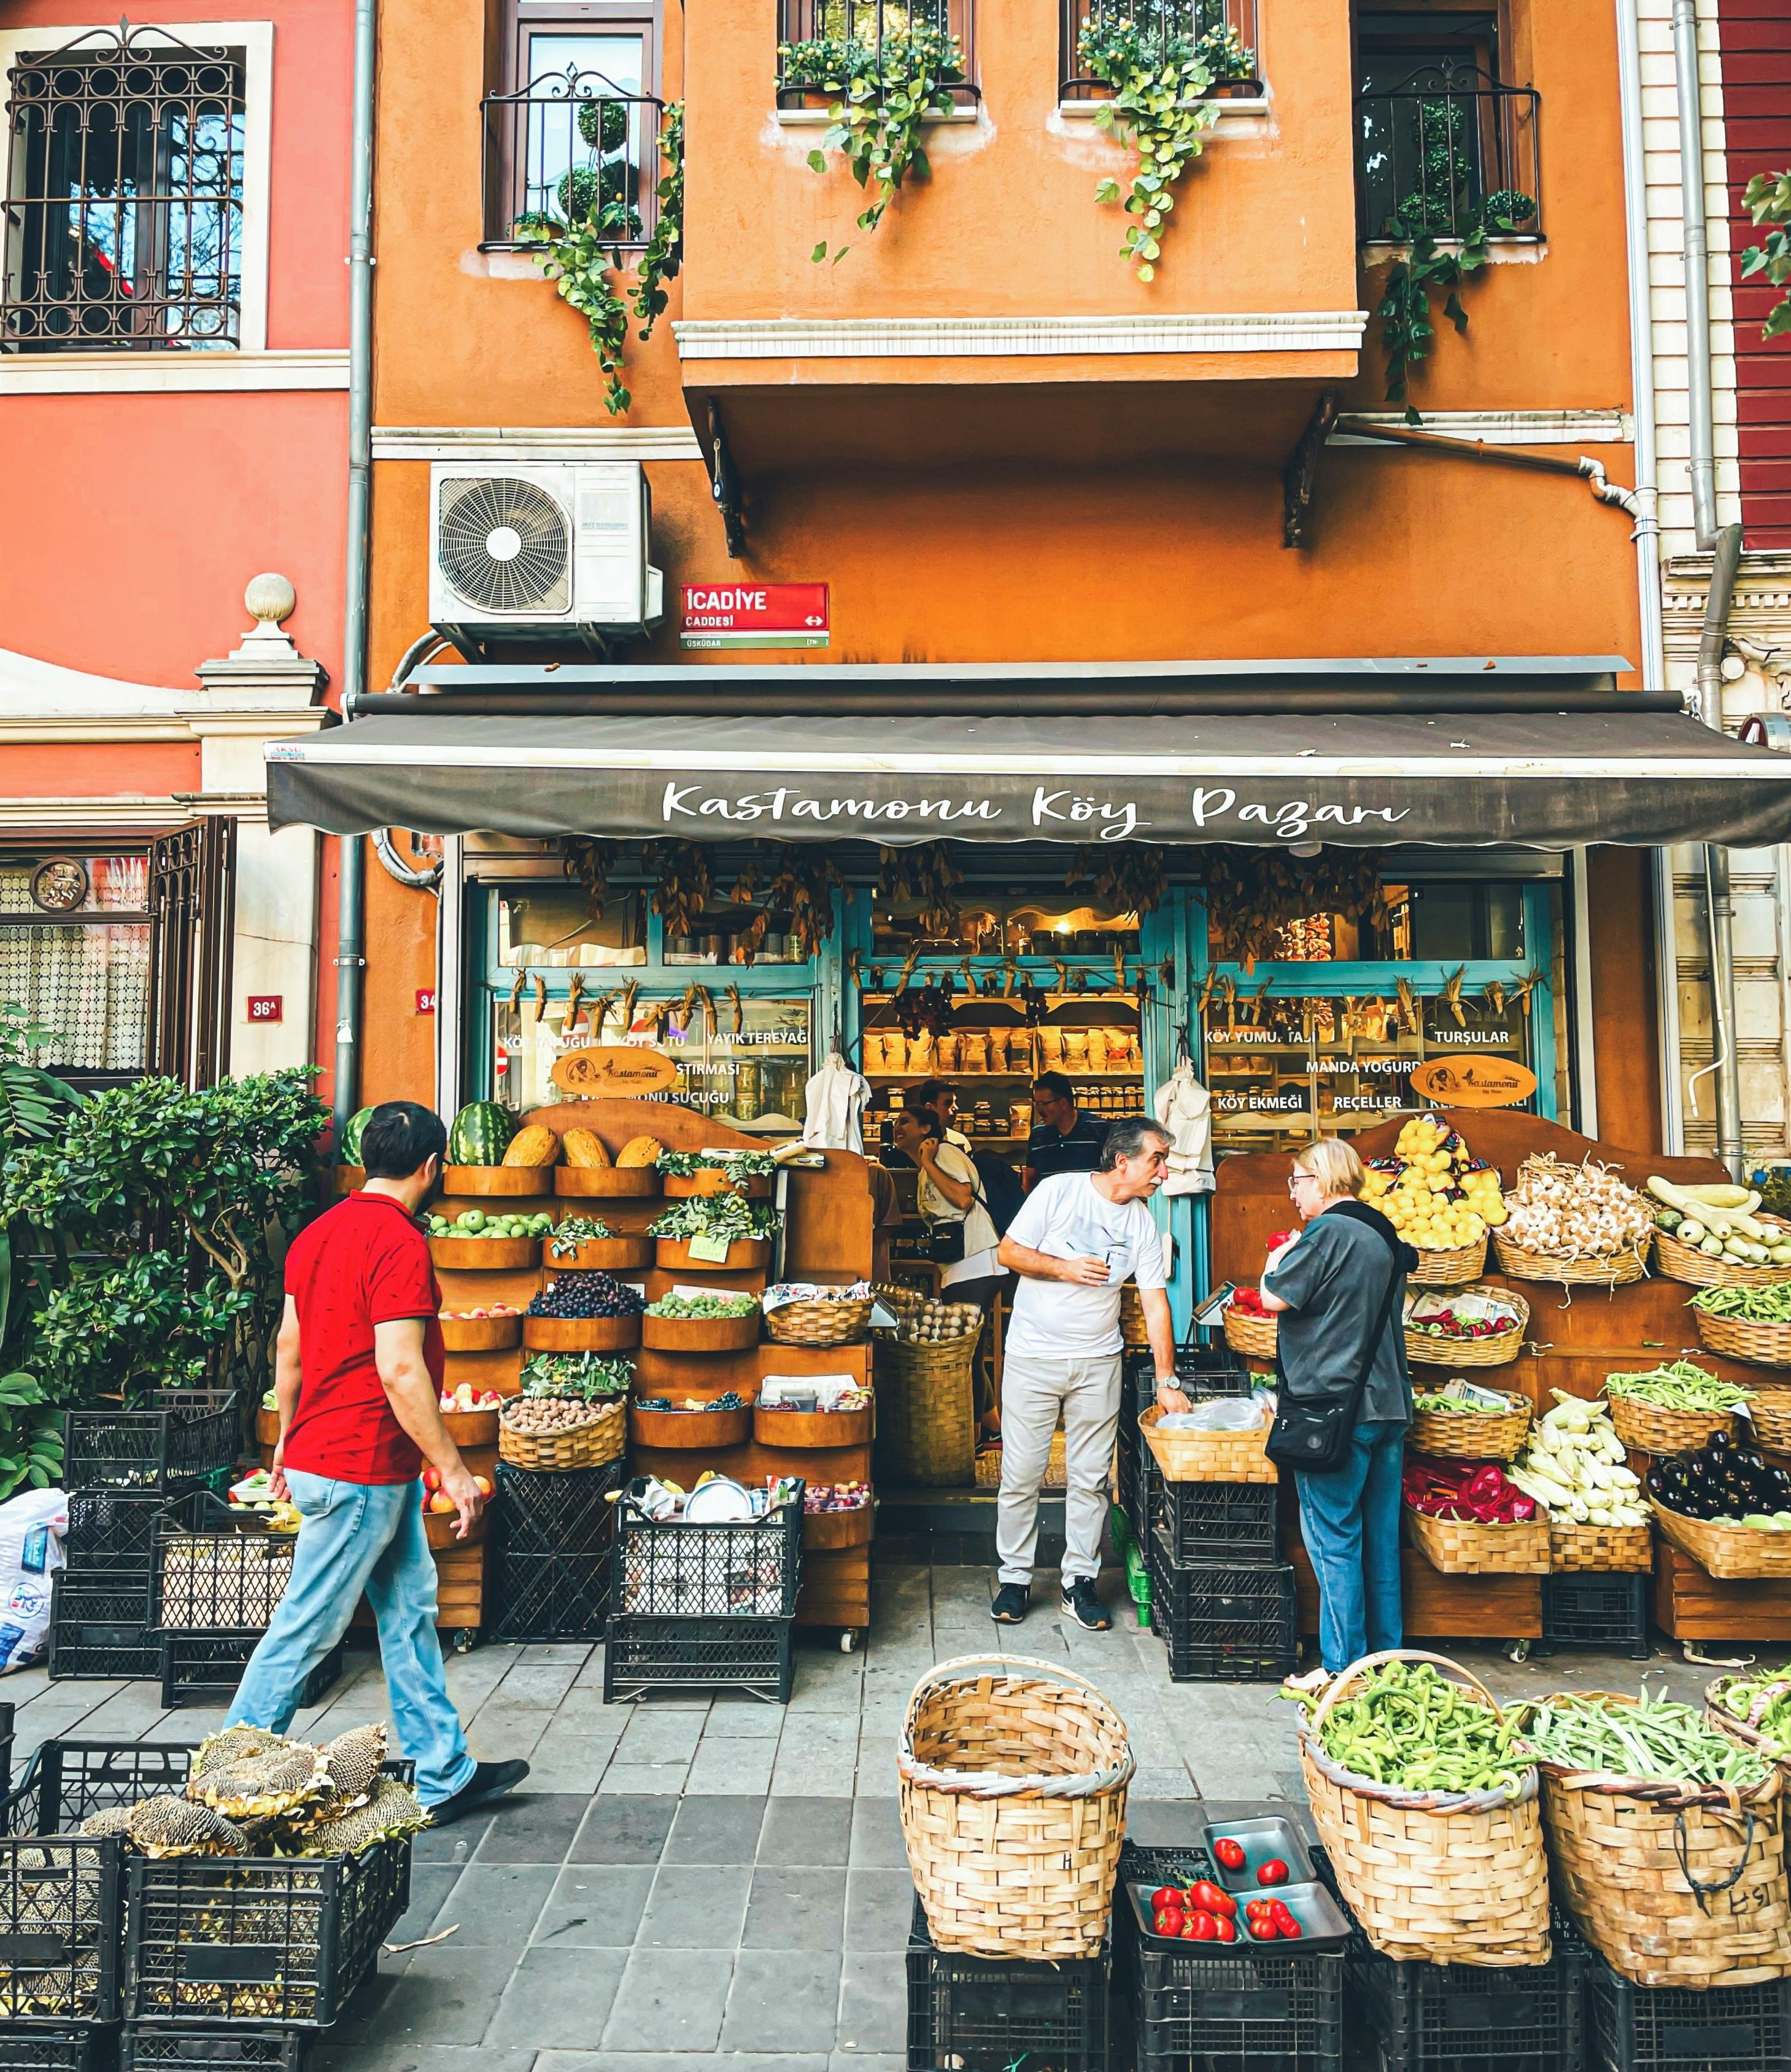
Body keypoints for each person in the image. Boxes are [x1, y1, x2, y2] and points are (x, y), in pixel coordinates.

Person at [226, 1101, 530, 1824]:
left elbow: (289, 1351)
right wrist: (454, 1470)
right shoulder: (398, 1243)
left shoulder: (317, 1234)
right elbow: (400, 1370)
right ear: (433, 1167)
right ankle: (229, 1783)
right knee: (306, 1627)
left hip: (344, 1461)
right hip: (360, 1467)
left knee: (409, 1617)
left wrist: (285, 1442)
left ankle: (442, 1771)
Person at [992, 1116, 1185, 1630]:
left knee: (1092, 1479)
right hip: (1034, 1355)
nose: (1163, 1172)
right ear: (1123, 1161)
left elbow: (1156, 1303)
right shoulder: (1059, 1192)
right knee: (1021, 1473)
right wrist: (1063, 1266)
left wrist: (1168, 1381)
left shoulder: (1142, 1221)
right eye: (1157, 1160)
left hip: (1099, 1360)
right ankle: (1014, 1576)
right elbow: (1007, 1251)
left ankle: (1079, 1581)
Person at [1258, 1137, 1417, 1685]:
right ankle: (1385, 1662)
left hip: (1334, 1408)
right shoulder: (1382, 1230)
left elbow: (1276, 1297)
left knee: (1333, 1537)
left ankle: (1341, 1667)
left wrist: (1275, 1262)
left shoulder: (1327, 1231)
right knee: (1379, 1537)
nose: (1294, 1192)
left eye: (1297, 1181)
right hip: (1387, 1404)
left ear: (1322, 1181)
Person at [888, 1106, 1006, 1439]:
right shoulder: (926, 1167)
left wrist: (928, 1162)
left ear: (927, 1129)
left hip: (978, 1262)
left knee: (963, 1353)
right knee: (969, 1351)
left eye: (905, 1122)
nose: (897, 1128)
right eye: (896, 1123)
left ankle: (973, 1435)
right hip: (962, 1266)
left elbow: (963, 1198)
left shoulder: (945, 1153)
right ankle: (992, 1430)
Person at [1024, 1071, 1106, 1189]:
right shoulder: (1038, 1134)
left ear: (1063, 1103)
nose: (1039, 1110)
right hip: (1052, 1206)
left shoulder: (1099, 1129)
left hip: (1088, 1206)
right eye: (1037, 1104)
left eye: (1043, 1104)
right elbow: (1030, 1180)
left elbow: (1112, 1177)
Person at [909, 1078, 972, 1152]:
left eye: (955, 1102)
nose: (956, 1108)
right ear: (929, 1108)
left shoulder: (960, 1140)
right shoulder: (914, 1143)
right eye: (948, 1103)